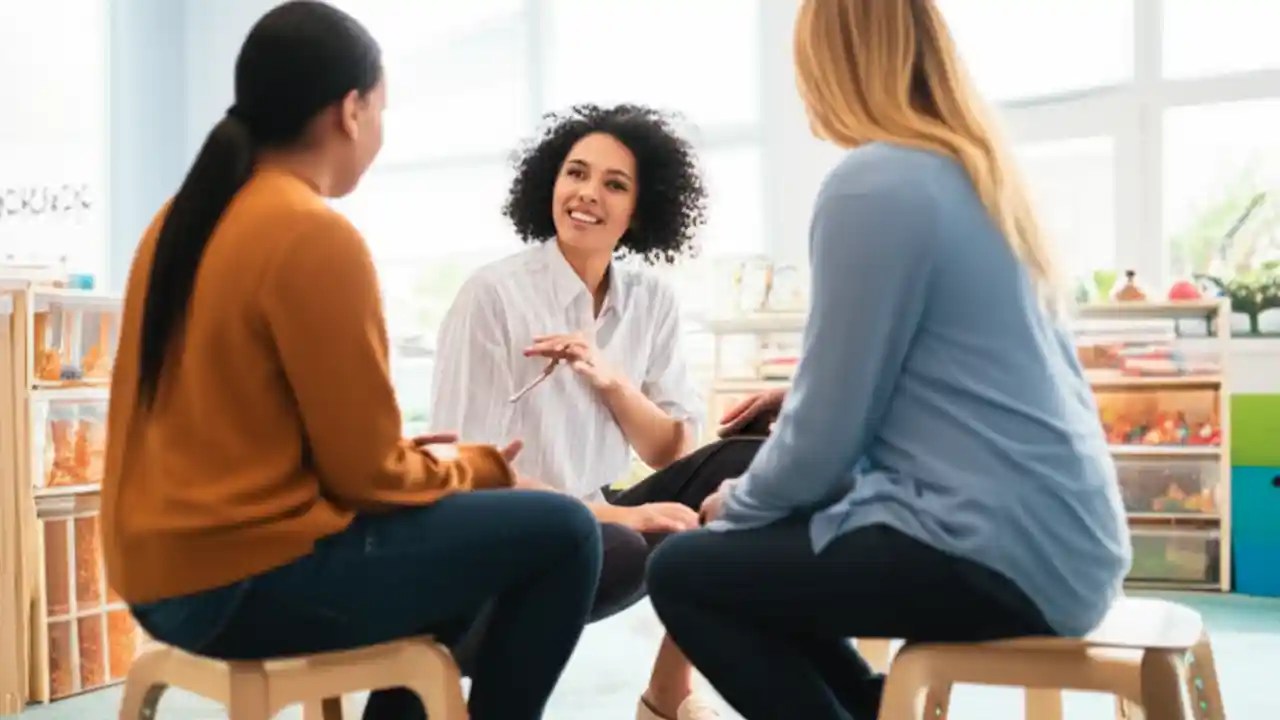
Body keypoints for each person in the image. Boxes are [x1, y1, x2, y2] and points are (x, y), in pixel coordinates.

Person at [101, 4, 601, 719]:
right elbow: (365, 478)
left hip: (156, 578)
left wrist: (412, 468)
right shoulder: (310, 234)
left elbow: (251, 433)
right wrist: (480, 468)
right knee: (564, 532)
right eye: (382, 109)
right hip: (238, 585)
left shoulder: (185, 216)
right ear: (350, 111)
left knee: (450, 552)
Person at [645, 1, 1134, 719]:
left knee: (687, 571)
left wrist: (735, 506)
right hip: (1070, 545)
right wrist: (800, 410)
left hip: (994, 554)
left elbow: (824, 445)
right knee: (762, 570)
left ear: (833, 63)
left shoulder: (874, 182)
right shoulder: (977, 174)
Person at [430, 104, 743, 720]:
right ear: (550, 181)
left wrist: (612, 382)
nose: (586, 194)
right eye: (575, 173)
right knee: (617, 546)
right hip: (512, 530)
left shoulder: (651, 302)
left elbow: (673, 451)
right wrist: (618, 513)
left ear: (639, 211)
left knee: (743, 462)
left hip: (599, 512)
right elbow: (470, 473)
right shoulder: (492, 295)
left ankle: (668, 695)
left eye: (614, 184)